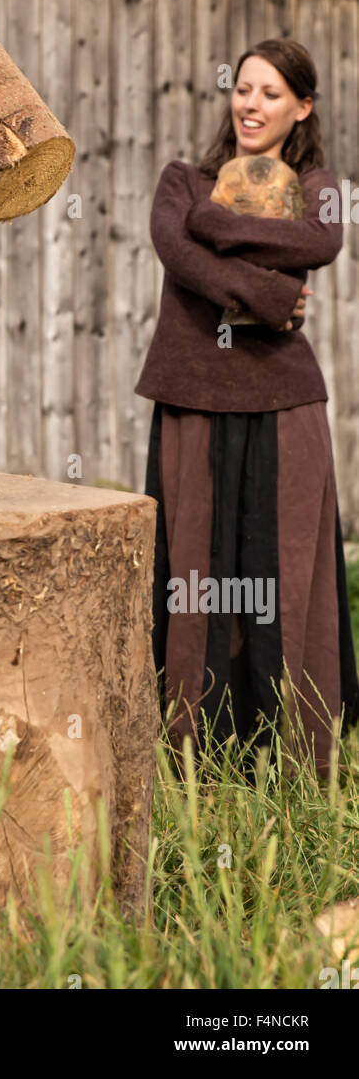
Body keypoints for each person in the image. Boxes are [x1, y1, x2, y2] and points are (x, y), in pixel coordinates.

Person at [136, 38, 359, 779]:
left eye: (270, 93)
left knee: (283, 571)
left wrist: (221, 225)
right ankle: (187, 760)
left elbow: (322, 238)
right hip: (191, 394)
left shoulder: (320, 186)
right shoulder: (183, 180)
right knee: (193, 573)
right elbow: (176, 246)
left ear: (303, 108)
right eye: (243, 89)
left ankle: (294, 763)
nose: (250, 104)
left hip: (284, 400)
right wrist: (267, 292)